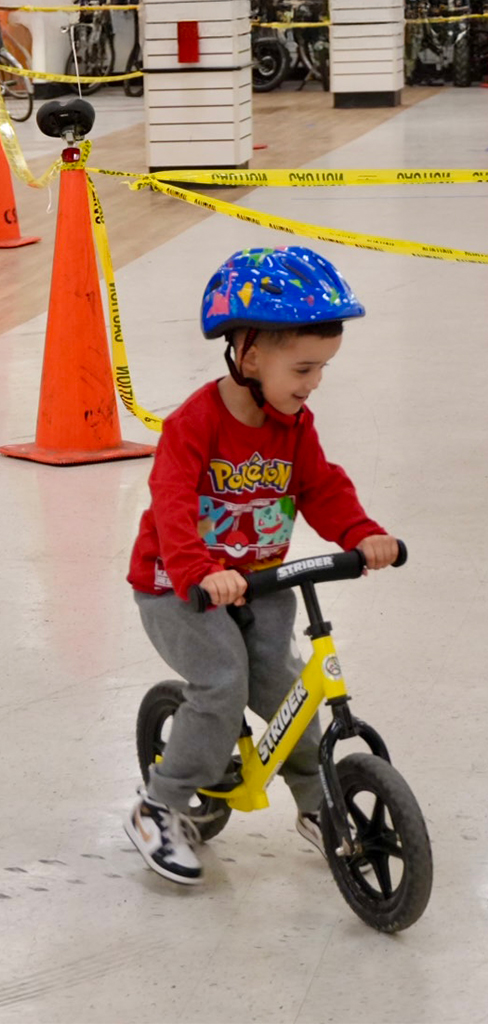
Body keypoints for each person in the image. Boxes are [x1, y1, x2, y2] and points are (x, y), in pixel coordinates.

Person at [124, 246, 398, 885]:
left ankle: (317, 803)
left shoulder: (295, 427)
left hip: (261, 583)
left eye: (321, 369)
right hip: (178, 586)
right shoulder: (195, 425)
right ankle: (158, 805)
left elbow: (321, 487)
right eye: (302, 368)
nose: (312, 384)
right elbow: (171, 504)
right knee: (223, 683)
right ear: (248, 357)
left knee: (285, 689)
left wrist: (363, 533)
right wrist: (196, 571)